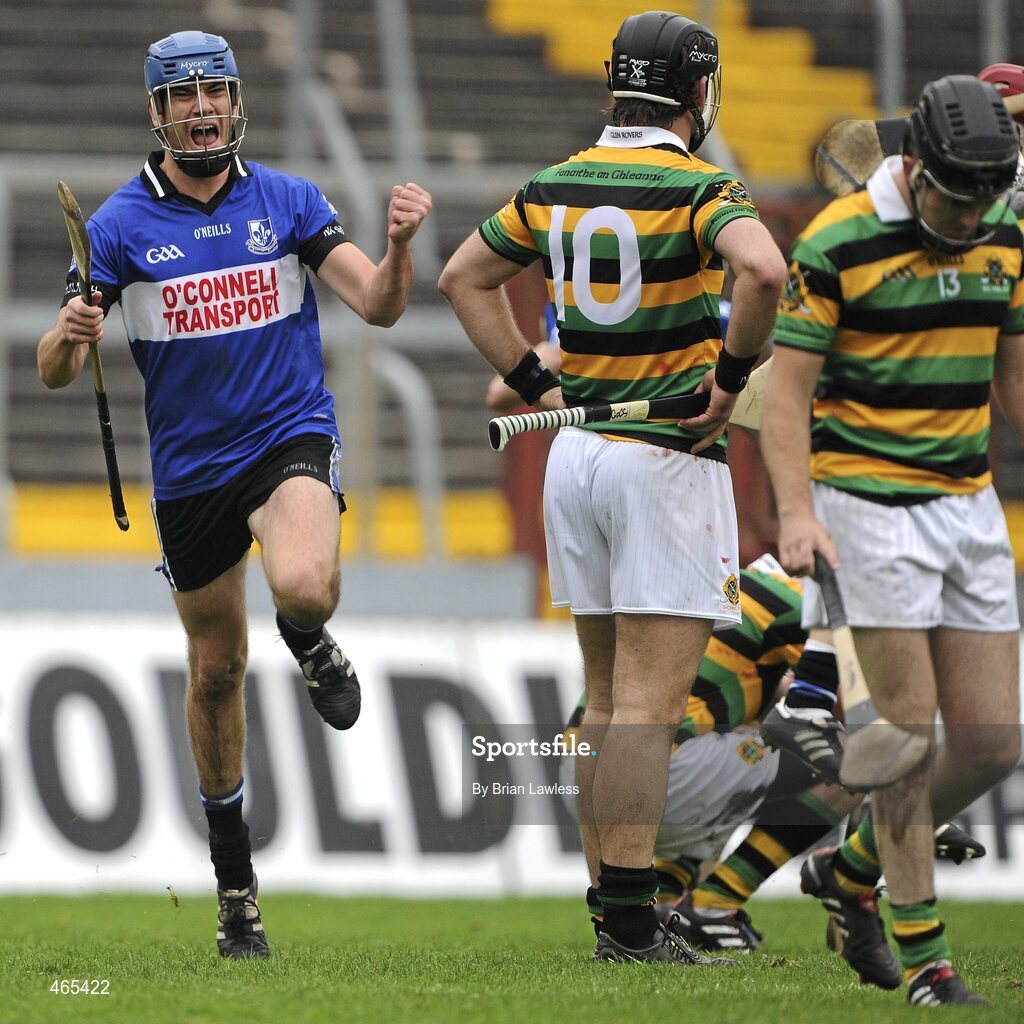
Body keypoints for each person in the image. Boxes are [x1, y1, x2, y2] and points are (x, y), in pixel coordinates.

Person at [37, 31, 432, 959]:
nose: (202, 108)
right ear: (157, 113)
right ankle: (236, 891)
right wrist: (70, 329)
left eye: (214, 90)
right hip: (190, 476)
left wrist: (402, 247)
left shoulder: (289, 201)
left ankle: (310, 637)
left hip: (286, 435)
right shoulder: (118, 228)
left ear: (234, 99)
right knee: (216, 670)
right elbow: (56, 372)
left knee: (304, 583)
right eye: (183, 97)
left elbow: (377, 304)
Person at [440, 10, 786, 966]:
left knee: (602, 699)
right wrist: (727, 381)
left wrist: (536, 378)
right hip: (663, 458)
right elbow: (762, 268)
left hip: (575, 454)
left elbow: (464, 278)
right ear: (698, 92)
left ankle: (613, 915)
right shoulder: (700, 184)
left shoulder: (555, 183)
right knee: (645, 706)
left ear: (615, 86)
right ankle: (635, 925)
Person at [760, 75, 1023, 1006]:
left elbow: (1015, 391)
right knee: (907, 736)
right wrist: (797, 512)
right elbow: (786, 399)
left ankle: (847, 867)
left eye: (986, 195)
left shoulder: (1005, 233)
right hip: (865, 505)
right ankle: (928, 964)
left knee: (993, 744)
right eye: (957, 194)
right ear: (912, 166)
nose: (969, 214)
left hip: (968, 504)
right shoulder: (835, 242)